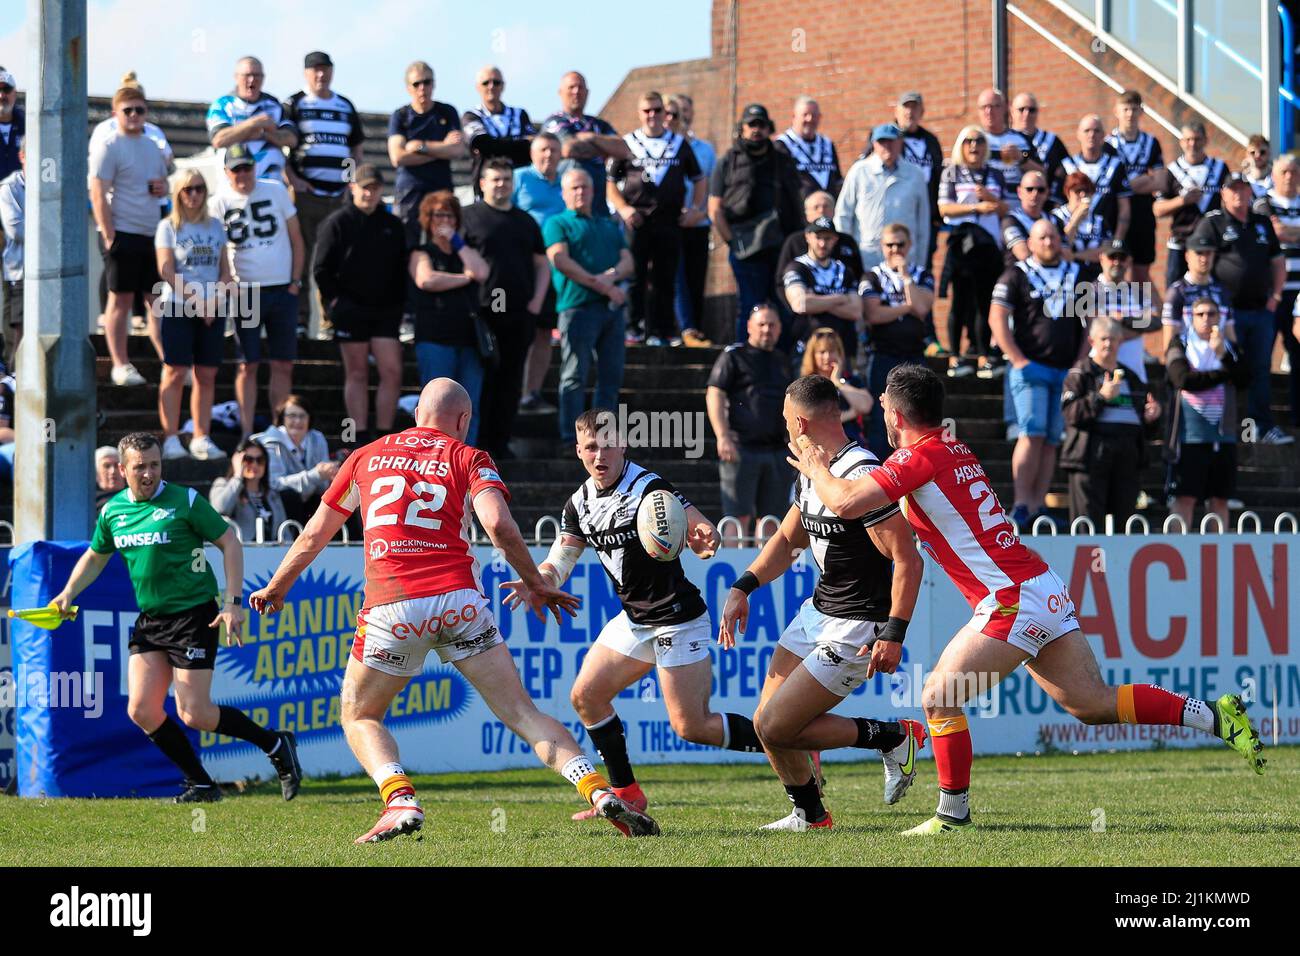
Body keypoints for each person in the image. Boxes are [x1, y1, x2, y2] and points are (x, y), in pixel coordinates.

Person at [787, 362, 1266, 836]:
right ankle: (1215, 715)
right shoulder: (951, 448)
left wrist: (814, 467)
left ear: (895, 415)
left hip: (1010, 597)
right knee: (1091, 704)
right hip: (1039, 586)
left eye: (887, 410)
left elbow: (847, 502)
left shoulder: (917, 459)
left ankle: (953, 815)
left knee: (938, 696)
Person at [249, 379, 660, 843]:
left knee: (360, 715)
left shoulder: (364, 456)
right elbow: (499, 525)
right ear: (463, 420)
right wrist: (535, 583)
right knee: (523, 713)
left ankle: (400, 799)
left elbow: (312, 535)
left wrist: (276, 586)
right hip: (459, 603)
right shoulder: (468, 457)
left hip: (392, 607)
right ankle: (598, 789)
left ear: (417, 413)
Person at [50, 432, 303, 804]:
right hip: (152, 619)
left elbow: (229, 543)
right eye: (140, 467)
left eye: (155, 464)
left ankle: (275, 743)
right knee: (141, 709)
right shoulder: (113, 512)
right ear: (122, 470)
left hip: (193, 617)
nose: (149, 473)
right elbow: (95, 555)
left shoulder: (184, 500)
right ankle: (201, 783)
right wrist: (69, 592)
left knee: (195, 713)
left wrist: (232, 603)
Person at [720, 374, 925, 830]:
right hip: (817, 613)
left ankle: (893, 736)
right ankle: (810, 815)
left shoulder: (861, 474)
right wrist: (744, 585)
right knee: (766, 724)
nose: (785, 429)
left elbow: (907, 559)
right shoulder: (813, 469)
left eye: (785, 421)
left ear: (799, 421)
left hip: (856, 624)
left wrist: (893, 632)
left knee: (776, 725)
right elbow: (788, 538)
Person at [541, 408, 760, 824]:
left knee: (691, 726)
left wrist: (703, 535)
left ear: (623, 444)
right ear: (578, 451)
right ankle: (627, 794)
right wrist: (541, 580)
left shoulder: (649, 488)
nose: (600, 454)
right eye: (591, 447)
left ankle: (785, 741)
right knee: (586, 696)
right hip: (635, 619)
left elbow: (697, 527)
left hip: (677, 616)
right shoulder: (579, 503)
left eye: (607, 444)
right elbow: (561, 558)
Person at [989, 219, 1086, 525]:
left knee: (1052, 440)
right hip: (1030, 367)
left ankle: (1037, 505)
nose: (1048, 242)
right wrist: (1017, 359)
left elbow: (1090, 324)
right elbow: (997, 318)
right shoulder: (1016, 274)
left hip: (1064, 370)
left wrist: (1079, 363)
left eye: (1053, 237)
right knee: (1031, 435)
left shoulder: (1076, 273)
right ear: (1030, 243)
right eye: (1042, 237)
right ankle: (1020, 504)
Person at [210, 144, 305, 438]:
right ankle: (247, 431)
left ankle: (278, 431)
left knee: (283, 363)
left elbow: (296, 239)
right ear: (226, 172)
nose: (243, 174)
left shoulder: (275, 189)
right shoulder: (218, 202)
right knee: (246, 365)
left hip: (281, 288)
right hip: (245, 292)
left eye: (247, 167)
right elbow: (217, 249)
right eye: (236, 169)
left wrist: (294, 282)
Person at [1190, 174, 1291, 445]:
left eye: (1243, 189)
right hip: (1226, 313)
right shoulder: (1213, 222)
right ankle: (1225, 427)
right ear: (1223, 193)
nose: (1238, 194)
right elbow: (1198, 259)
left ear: (1250, 192)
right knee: (1226, 367)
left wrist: (1276, 297)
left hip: (1260, 311)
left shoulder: (1261, 224)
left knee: (1260, 368)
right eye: (1232, 189)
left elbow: (1278, 262)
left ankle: (1262, 426)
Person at [461, 158, 550, 459]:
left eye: (506, 180)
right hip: (482, 315)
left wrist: (536, 301)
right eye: (495, 180)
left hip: (518, 315)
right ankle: (476, 445)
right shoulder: (468, 217)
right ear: (482, 183)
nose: (502, 185)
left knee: (511, 382)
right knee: (480, 380)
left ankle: (500, 443)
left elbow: (542, 263)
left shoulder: (525, 221)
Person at [312, 164, 406, 446]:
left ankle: (386, 434)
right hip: (350, 308)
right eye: (364, 187)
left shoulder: (393, 225)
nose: (369, 193)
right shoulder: (337, 222)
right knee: (356, 372)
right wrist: (337, 301)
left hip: (385, 309)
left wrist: (399, 304)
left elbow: (403, 266)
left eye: (375, 188)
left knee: (392, 370)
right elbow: (320, 268)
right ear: (352, 187)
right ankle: (359, 436)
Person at [608, 91, 706, 347]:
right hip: (637, 220)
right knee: (636, 277)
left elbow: (699, 179)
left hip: (669, 220)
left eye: (657, 110)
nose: (652, 115)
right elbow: (609, 182)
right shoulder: (626, 143)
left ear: (665, 113)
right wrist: (624, 208)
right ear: (639, 114)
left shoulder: (679, 143)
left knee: (666, 277)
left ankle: (664, 330)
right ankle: (634, 329)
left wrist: (695, 208)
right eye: (647, 111)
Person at [544, 169, 633, 444]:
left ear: (594, 191)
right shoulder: (557, 223)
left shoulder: (608, 225)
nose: (580, 192)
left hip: (611, 312)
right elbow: (560, 260)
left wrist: (612, 276)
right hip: (577, 308)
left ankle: (603, 438)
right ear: (564, 192)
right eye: (574, 188)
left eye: (585, 187)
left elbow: (628, 262)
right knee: (574, 375)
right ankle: (572, 437)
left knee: (611, 376)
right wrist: (605, 285)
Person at [89, 85, 169, 386]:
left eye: (140, 110)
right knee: (120, 299)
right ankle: (120, 364)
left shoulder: (152, 145)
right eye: (128, 110)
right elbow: (97, 191)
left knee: (157, 300)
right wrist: (109, 235)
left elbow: (162, 184)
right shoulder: (108, 145)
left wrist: (164, 187)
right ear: (115, 114)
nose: (134, 115)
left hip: (151, 232)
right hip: (121, 231)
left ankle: (169, 361)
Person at [282, 51, 365, 334]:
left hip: (338, 196)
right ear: (306, 73)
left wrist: (351, 182)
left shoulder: (344, 105)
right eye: (315, 70)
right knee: (302, 259)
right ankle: (301, 321)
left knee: (334, 261)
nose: (321, 75)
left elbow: (356, 147)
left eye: (325, 70)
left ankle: (332, 322)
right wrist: (292, 179)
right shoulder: (294, 103)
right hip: (306, 193)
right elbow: (281, 146)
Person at [709, 104, 804, 342]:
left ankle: (781, 361)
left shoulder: (782, 160)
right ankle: (745, 357)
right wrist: (732, 242)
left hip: (779, 246)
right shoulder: (727, 162)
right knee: (750, 306)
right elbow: (715, 208)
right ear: (741, 128)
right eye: (751, 124)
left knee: (782, 305)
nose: (756, 130)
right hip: (744, 247)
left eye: (761, 124)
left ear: (769, 128)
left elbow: (797, 202)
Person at [154, 169, 230, 462]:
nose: (194, 195)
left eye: (199, 188)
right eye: (188, 190)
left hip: (212, 307)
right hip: (177, 305)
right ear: (178, 193)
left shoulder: (215, 227)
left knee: (206, 374)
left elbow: (225, 271)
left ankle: (201, 436)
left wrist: (214, 300)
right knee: (174, 371)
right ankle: (171, 437)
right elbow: (166, 270)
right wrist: (198, 300)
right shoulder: (168, 227)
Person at [1059, 317, 1161, 526]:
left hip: (1127, 457)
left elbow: (1147, 428)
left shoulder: (1132, 378)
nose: (1108, 344)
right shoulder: (1080, 373)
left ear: (1121, 341)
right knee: (1087, 525)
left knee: (1125, 524)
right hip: (1089, 457)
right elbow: (1070, 414)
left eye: (1113, 339)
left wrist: (1152, 418)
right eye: (1104, 339)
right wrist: (1100, 397)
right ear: (1092, 341)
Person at [706, 303, 793, 543]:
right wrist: (722, 435)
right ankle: (735, 574)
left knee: (773, 522)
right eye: (761, 324)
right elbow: (715, 393)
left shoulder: (783, 360)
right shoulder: (734, 355)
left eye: (772, 325)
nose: (767, 330)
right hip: (741, 449)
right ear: (749, 327)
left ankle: (767, 574)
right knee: (738, 519)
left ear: (779, 329)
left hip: (777, 451)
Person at [408, 191, 490, 444]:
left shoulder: (464, 251)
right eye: (438, 215)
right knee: (435, 405)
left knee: (469, 406)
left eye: (449, 215)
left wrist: (456, 241)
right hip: (435, 339)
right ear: (428, 220)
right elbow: (427, 279)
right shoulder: (422, 252)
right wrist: (464, 278)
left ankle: (466, 461)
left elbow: (482, 271)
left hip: (469, 341)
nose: (443, 220)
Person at [1165, 298, 1250, 530]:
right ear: (1191, 318)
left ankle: (1217, 551)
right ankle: (1178, 549)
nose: (1206, 319)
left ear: (1219, 318)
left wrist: (1222, 355)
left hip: (1224, 436)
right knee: (1185, 497)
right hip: (1189, 435)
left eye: (1212, 314)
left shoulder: (1229, 347)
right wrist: (1223, 374)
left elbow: (1244, 378)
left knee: (1220, 499)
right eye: (1200, 314)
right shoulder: (1180, 343)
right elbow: (1182, 379)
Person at [938, 125, 1007, 379]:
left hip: (989, 247)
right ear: (961, 145)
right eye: (968, 141)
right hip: (963, 246)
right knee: (960, 301)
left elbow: (1005, 209)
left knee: (984, 303)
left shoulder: (996, 174)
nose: (974, 146)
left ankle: (982, 356)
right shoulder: (952, 172)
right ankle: (955, 356)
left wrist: (991, 199)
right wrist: (977, 207)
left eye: (979, 141)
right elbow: (944, 209)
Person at [860, 223, 934, 458]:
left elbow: (922, 309)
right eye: (889, 245)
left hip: (914, 356)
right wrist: (906, 306)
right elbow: (873, 315)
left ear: (909, 245)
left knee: (919, 415)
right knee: (882, 416)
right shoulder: (872, 276)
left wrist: (906, 277)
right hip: (883, 355)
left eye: (900, 244)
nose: (895, 249)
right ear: (882, 247)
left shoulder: (922, 274)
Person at [515, 132, 566, 413]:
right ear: (533, 153)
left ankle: (531, 394)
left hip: (555, 268)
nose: (549, 155)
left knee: (545, 331)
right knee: (520, 330)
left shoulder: (566, 182)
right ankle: (512, 390)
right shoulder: (519, 177)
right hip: (522, 266)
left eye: (554, 150)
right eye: (543, 150)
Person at [834, 123, 929, 273]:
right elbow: (843, 215)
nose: (887, 146)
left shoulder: (915, 174)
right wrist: (845, 255)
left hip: (904, 259)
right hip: (867, 258)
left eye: (891, 141)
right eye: (881, 142)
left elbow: (923, 223)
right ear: (873, 144)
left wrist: (920, 264)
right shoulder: (860, 171)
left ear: (900, 142)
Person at [387, 61, 465, 240]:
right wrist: (441, 150)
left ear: (434, 84)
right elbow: (397, 157)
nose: (422, 88)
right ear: (408, 88)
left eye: (427, 82)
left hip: (441, 189)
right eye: (417, 84)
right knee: (406, 245)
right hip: (410, 192)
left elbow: (457, 150)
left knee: (444, 243)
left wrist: (420, 147)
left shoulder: (447, 112)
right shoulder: (400, 116)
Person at [541, 71, 630, 220]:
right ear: (560, 92)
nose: (576, 92)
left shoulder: (598, 124)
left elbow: (623, 149)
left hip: (599, 207)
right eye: (571, 87)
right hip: (569, 209)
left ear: (587, 92)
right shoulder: (555, 122)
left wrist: (591, 137)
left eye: (580, 87)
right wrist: (604, 148)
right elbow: (569, 148)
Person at [1151, 122, 1227, 288]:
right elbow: (1157, 209)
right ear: (1181, 142)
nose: (1192, 144)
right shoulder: (1171, 171)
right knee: (1176, 291)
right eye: (1188, 140)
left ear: (1205, 141)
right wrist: (1182, 200)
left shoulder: (1220, 168)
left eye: (1197, 139)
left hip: (1211, 242)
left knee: (1213, 291)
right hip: (1181, 241)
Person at [668, 93, 715, 347]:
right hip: (671, 224)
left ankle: (695, 329)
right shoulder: (665, 147)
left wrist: (700, 211)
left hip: (697, 223)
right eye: (677, 111)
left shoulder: (705, 149)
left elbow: (713, 186)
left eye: (686, 110)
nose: (682, 116)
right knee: (677, 279)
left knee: (696, 280)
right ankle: (684, 328)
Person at [1257, 153, 1300, 429]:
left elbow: (1285, 232)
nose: (1289, 176)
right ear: (1274, 175)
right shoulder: (1264, 202)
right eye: (1284, 171)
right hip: (1273, 293)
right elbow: (1276, 233)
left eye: (1294, 171)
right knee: (1263, 356)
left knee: (1298, 357)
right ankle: (1261, 421)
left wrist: (1288, 230)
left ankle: (1297, 418)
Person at [782, 217, 863, 361]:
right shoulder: (797, 267)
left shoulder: (844, 271)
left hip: (842, 350)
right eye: (818, 237)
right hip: (808, 350)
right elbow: (800, 304)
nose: (822, 243)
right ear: (807, 237)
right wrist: (841, 298)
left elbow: (856, 311)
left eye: (828, 238)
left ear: (835, 239)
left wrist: (817, 300)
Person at [206, 57, 296, 180]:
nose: (252, 80)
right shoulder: (222, 104)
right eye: (247, 75)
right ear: (236, 77)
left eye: (257, 75)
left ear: (263, 78)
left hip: (270, 183)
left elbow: (292, 139)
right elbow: (219, 140)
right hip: (235, 186)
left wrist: (264, 134)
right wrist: (254, 123)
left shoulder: (274, 104)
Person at [1107, 90, 1163, 284]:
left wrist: (1125, 185)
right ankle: (1115, 312)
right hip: (1115, 214)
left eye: (1134, 109)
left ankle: (1142, 313)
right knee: (1114, 269)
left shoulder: (1151, 142)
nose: (1130, 114)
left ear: (1141, 112)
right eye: (1125, 109)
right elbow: (1109, 185)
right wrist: (1139, 182)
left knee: (1141, 274)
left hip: (1143, 214)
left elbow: (1160, 182)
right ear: (1116, 111)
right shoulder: (1108, 144)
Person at [776, 190, 864, 315]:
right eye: (816, 207)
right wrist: (841, 299)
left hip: (843, 321)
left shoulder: (847, 242)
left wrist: (816, 302)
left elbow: (856, 306)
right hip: (805, 320)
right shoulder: (794, 242)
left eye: (826, 206)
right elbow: (797, 301)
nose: (821, 210)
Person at [256, 393, 338, 525]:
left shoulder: (318, 439)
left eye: (302, 416)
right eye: (292, 416)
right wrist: (315, 475)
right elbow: (275, 484)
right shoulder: (270, 442)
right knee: (290, 496)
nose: (298, 421)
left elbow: (322, 486)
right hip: (280, 503)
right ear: (282, 418)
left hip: (311, 501)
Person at [462, 65, 535, 194]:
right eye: (486, 83)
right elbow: (484, 144)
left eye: (496, 82)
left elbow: (531, 148)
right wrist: (518, 143)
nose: (491, 86)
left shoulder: (520, 114)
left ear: (503, 86)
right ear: (477, 87)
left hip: (520, 188)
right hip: (486, 189)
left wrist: (494, 143)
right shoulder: (471, 115)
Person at [1060, 114, 1132, 245]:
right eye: (1087, 130)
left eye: (1096, 130)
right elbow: (1058, 204)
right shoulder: (1067, 165)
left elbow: (1124, 207)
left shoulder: (1116, 165)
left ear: (1103, 135)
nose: (1091, 135)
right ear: (1078, 134)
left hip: (1105, 240)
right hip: (1073, 239)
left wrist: (1118, 240)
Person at [800, 327, 873, 447]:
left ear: (840, 353)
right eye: (822, 352)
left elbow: (866, 406)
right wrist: (852, 413)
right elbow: (815, 421)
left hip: (851, 444)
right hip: (820, 447)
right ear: (813, 355)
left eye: (832, 351)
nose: (827, 357)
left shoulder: (851, 380)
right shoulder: (806, 384)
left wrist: (838, 382)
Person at [894, 92, 944, 264]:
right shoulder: (887, 138)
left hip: (925, 216)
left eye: (914, 108)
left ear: (921, 112)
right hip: (897, 214)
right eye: (905, 107)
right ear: (896, 112)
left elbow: (938, 177)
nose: (910, 112)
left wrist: (937, 217)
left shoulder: (931, 141)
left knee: (923, 266)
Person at [209, 437, 287, 543]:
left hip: (273, 553)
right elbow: (220, 509)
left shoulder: (272, 494)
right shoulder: (223, 484)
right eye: (248, 460)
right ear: (238, 461)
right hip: (241, 552)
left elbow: (285, 532)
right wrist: (237, 477)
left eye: (260, 460)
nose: (254, 464)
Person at [976, 88, 1037, 213]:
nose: (989, 111)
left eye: (995, 106)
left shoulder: (1021, 139)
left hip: (1018, 209)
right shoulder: (974, 139)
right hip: (987, 210)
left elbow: (1041, 174)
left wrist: (1021, 158)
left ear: (1005, 108)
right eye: (984, 107)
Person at [774, 96, 843, 200]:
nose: (810, 119)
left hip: (829, 210)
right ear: (794, 117)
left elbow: (837, 179)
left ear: (820, 117)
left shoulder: (827, 144)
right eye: (805, 115)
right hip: (799, 211)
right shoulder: (782, 145)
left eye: (814, 115)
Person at [1050, 171, 1109, 283]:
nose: (1082, 195)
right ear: (1068, 193)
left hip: (1094, 277)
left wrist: (1075, 255)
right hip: (1066, 277)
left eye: (1087, 191)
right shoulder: (1056, 217)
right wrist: (1076, 219)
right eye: (1077, 191)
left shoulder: (1099, 220)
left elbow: (1105, 252)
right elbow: (1060, 249)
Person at [1011, 92, 1068, 200]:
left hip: (1047, 204)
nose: (1026, 114)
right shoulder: (1005, 140)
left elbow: (1066, 172)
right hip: (1014, 203)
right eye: (1021, 109)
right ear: (1012, 111)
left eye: (1031, 110)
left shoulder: (1052, 141)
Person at [0, 134, 22, 371]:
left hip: (14, 252)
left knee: (14, 314)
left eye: (7, 91)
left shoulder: (24, 123)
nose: (3, 94)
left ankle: (9, 370)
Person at [1000, 168, 1051, 267]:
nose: (1035, 194)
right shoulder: (1010, 220)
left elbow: (1067, 255)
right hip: (1021, 278)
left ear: (1047, 193)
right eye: (1029, 189)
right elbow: (1023, 254)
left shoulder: (1053, 219)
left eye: (1041, 190)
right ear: (1019, 192)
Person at [0, 68, 24, 182]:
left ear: (15, 93)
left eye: (6, 89)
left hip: (20, 197)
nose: (1, 95)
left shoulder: (29, 127)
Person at [1241, 134, 1272, 199]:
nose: (1257, 155)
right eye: (1253, 152)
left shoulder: (1278, 179)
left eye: (1262, 152)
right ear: (1246, 154)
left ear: (1269, 153)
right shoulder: (1240, 180)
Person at [94, 445, 125, 510]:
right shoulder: (89, 501)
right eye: (107, 466)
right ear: (96, 472)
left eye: (117, 466)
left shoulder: (136, 495)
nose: (113, 471)